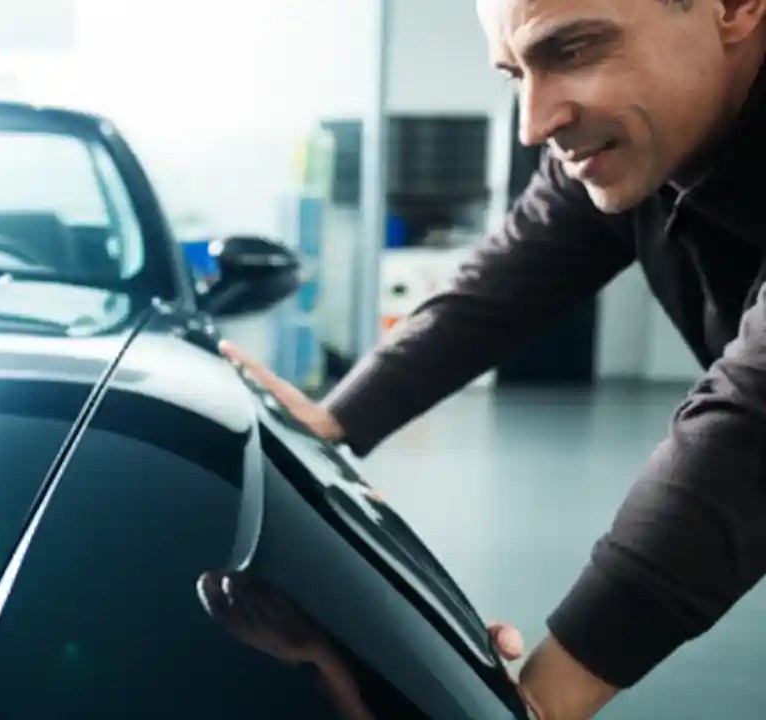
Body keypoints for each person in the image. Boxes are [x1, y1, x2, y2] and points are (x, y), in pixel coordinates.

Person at [221, 0, 766, 717]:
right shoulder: (647, 131)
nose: (533, 123)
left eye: (571, 51)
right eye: (515, 74)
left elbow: (750, 423)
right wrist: (336, 419)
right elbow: (514, 271)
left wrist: (533, 700)